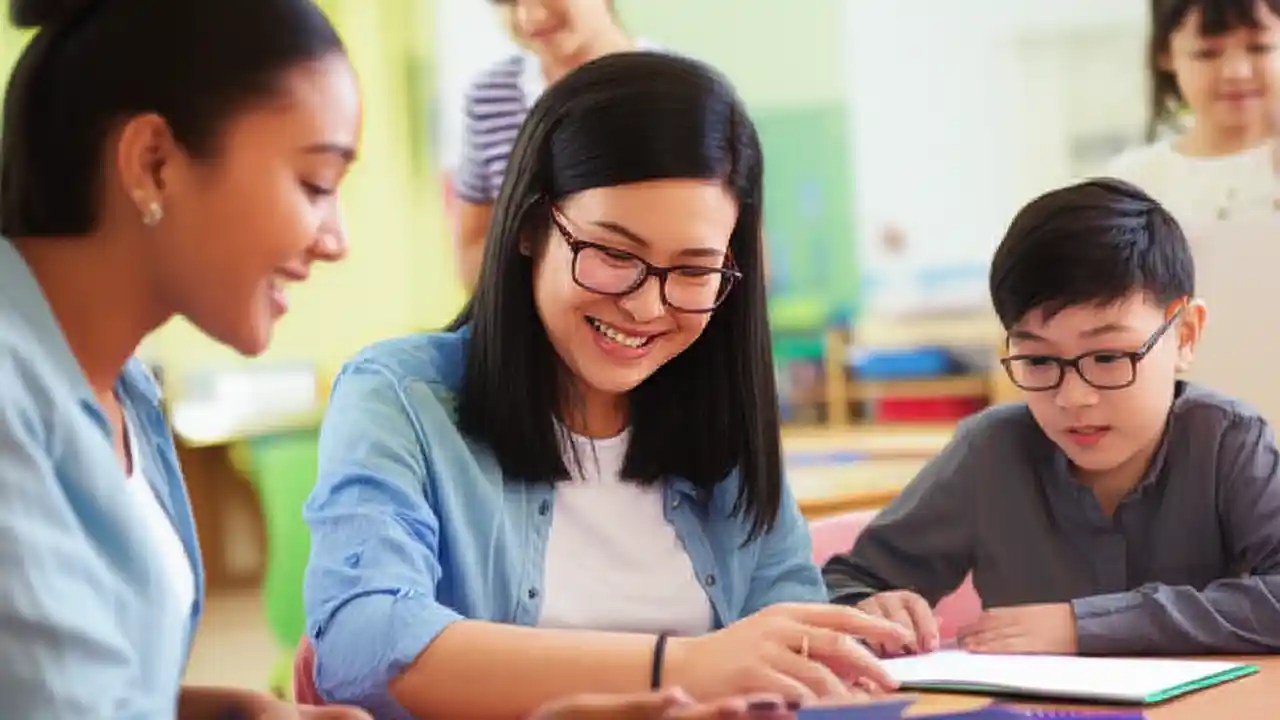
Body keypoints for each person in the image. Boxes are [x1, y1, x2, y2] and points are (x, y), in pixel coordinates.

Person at [303, 52, 907, 720]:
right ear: (532, 226)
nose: (647, 307)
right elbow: (363, 645)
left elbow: (788, 634)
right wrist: (683, 667)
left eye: (694, 270)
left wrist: (848, 631)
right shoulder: (401, 396)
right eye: (615, 255)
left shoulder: (719, 425)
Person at [0, 0, 374, 717]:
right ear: (154, 163)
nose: (336, 239)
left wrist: (233, 712)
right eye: (316, 185)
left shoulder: (124, 390)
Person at [822, 179, 1280, 657]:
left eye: (1106, 356)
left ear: (1184, 334)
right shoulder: (991, 452)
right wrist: (871, 607)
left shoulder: (1227, 441)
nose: (1073, 397)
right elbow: (843, 586)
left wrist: (1084, 626)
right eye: (1039, 361)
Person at [453, 0, 648, 290]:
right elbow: (473, 252)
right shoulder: (491, 96)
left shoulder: (687, 98)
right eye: (506, 2)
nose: (528, 16)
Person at [1107, 0, 1280, 227]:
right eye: (1207, 53)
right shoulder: (1133, 184)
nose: (1237, 72)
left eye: (1260, 47)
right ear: (1165, 55)